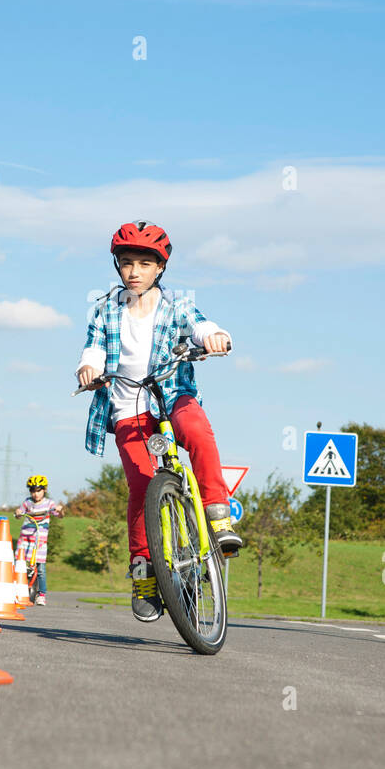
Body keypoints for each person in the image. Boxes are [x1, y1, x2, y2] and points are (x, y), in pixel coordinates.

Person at [76, 220, 242, 623]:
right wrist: (87, 367)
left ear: (160, 268)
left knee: (198, 433)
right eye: (127, 263)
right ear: (117, 266)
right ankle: (144, 571)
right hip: (126, 405)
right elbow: (94, 348)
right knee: (141, 484)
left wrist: (214, 337)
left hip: (171, 394)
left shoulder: (177, 305)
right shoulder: (104, 308)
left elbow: (200, 325)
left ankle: (217, 517)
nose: (135, 271)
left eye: (144, 264)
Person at [14, 475, 65, 605]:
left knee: (41, 568)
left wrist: (59, 510)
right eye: (33, 491)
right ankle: (15, 588)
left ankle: (41, 594)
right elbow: (19, 512)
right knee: (18, 563)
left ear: (44, 490)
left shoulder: (49, 504)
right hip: (25, 538)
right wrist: (18, 512)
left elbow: (59, 516)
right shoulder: (27, 502)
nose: (35, 494)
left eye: (38, 490)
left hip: (39, 541)